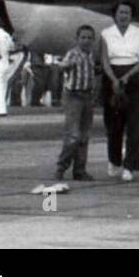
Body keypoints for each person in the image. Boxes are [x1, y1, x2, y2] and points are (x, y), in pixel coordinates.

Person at [99, 1, 139, 182]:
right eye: (121, 12)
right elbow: (104, 59)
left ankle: (130, 165)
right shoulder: (106, 33)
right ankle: (114, 160)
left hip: (134, 76)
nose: (124, 16)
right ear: (115, 14)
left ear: (131, 15)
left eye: (127, 12)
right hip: (112, 75)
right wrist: (113, 79)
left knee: (135, 124)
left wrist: (128, 76)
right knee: (113, 123)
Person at [55, 25, 97, 181]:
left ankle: (80, 169)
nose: (86, 41)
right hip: (73, 96)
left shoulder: (91, 55)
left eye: (89, 38)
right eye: (83, 37)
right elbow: (62, 66)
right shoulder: (73, 54)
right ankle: (61, 166)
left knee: (84, 136)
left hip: (87, 96)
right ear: (77, 39)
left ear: (93, 40)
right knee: (73, 135)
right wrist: (66, 66)